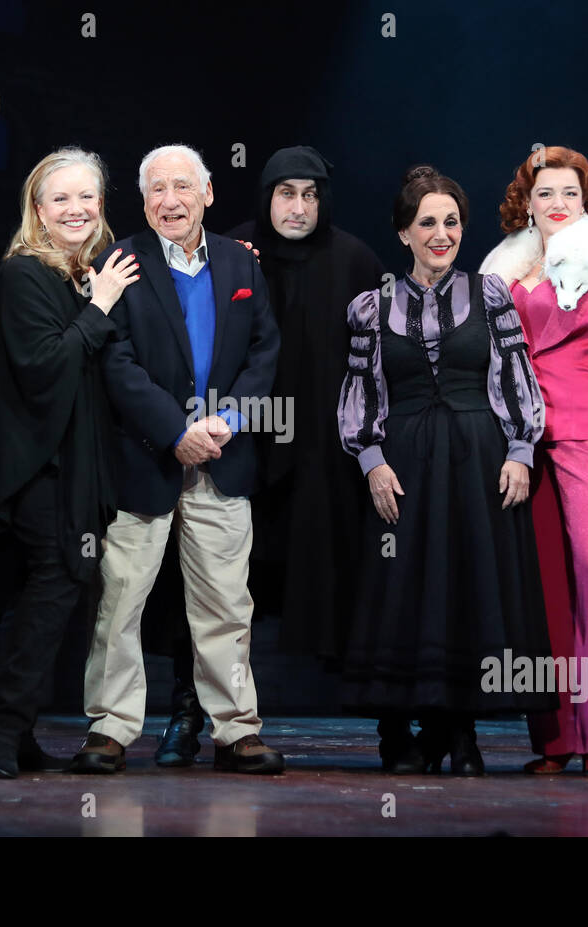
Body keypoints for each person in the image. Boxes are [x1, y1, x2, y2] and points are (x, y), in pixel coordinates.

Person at [151, 145, 387, 767]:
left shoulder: (356, 259)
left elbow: (381, 365)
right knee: (202, 591)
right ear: (266, 196)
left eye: (311, 194)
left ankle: (392, 722)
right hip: (226, 447)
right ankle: (187, 714)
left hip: (323, 458)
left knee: (350, 581)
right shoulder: (230, 250)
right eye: (287, 192)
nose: (299, 206)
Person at [72, 144, 284, 774]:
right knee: (122, 599)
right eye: (157, 189)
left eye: (183, 187)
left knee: (226, 602)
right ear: (144, 201)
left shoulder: (238, 261)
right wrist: (173, 431)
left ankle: (236, 730)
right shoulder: (122, 262)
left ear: (208, 193)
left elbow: (264, 354)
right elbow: (115, 361)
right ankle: (109, 729)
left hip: (224, 455)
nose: (170, 200)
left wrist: (226, 421)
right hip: (145, 460)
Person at [337, 165, 555, 775]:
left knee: (467, 589)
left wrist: (519, 450)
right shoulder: (370, 307)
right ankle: (395, 733)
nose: (442, 233)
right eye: (427, 222)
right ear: (403, 232)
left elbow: (516, 374)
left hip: (476, 458)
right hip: (404, 463)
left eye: (451, 222)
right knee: (402, 588)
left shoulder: (489, 296)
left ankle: (459, 734)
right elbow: (362, 390)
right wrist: (373, 461)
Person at [0, 149, 140, 778]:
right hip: (41, 467)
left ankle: (7, 731)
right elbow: (44, 367)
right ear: (37, 211)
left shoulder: (86, 275)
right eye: (61, 199)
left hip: (80, 464)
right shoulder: (24, 275)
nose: (76, 209)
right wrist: (99, 309)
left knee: (45, 596)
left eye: (87, 198)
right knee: (52, 587)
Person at [481, 146, 588, 779]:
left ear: (587, 202)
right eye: (545, 193)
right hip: (520, 441)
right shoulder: (504, 276)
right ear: (526, 203)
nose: (557, 204)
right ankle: (556, 739)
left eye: (569, 194)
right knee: (544, 586)